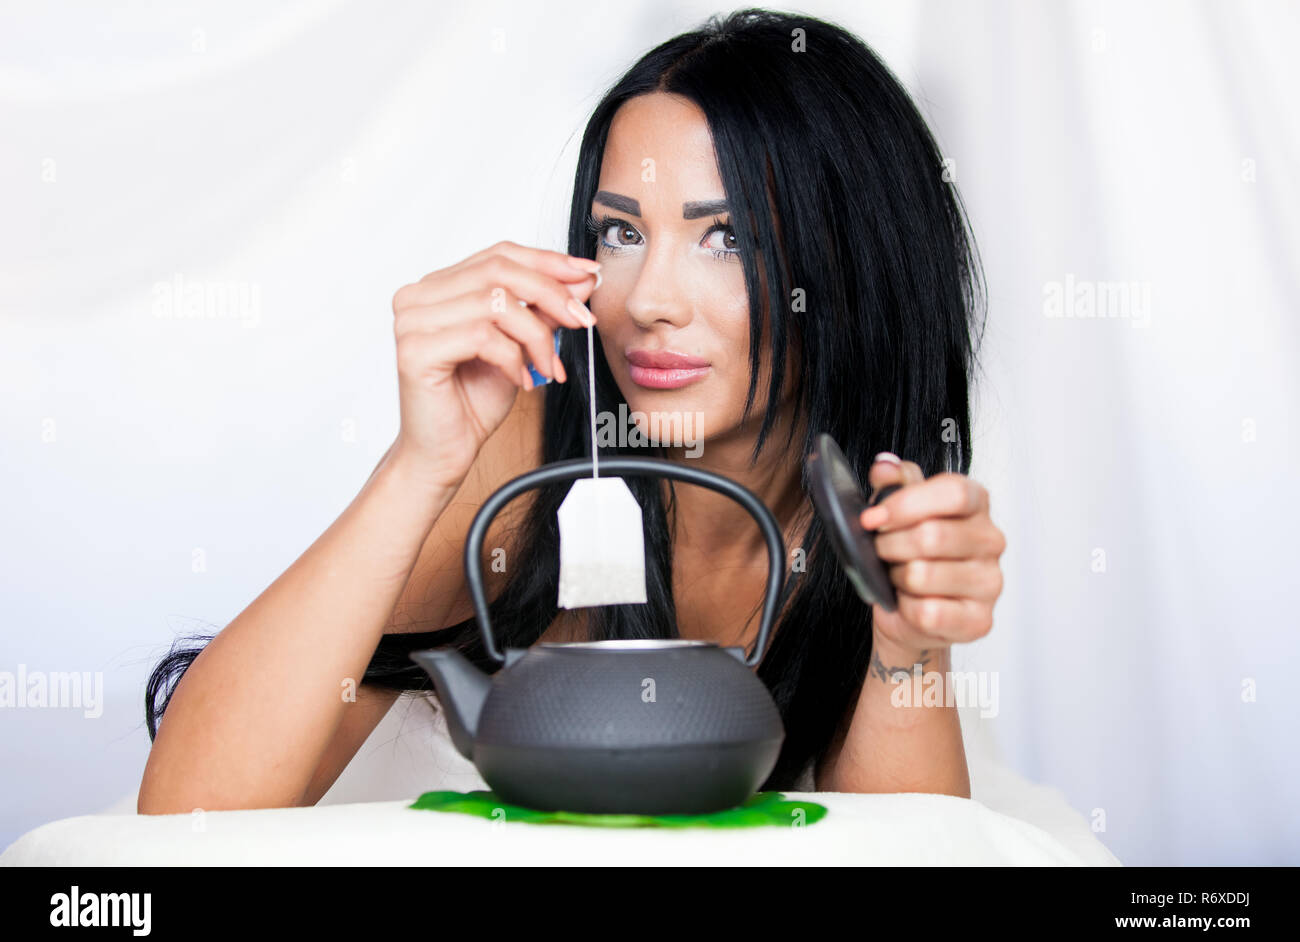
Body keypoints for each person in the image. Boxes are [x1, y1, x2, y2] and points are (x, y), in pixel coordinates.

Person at [138, 8, 1005, 813]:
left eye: (728, 238)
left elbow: (903, 851)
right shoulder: (528, 457)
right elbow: (188, 818)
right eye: (621, 233)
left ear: (851, 269)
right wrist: (419, 467)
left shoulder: (871, 513)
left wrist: (909, 643)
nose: (650, 300)